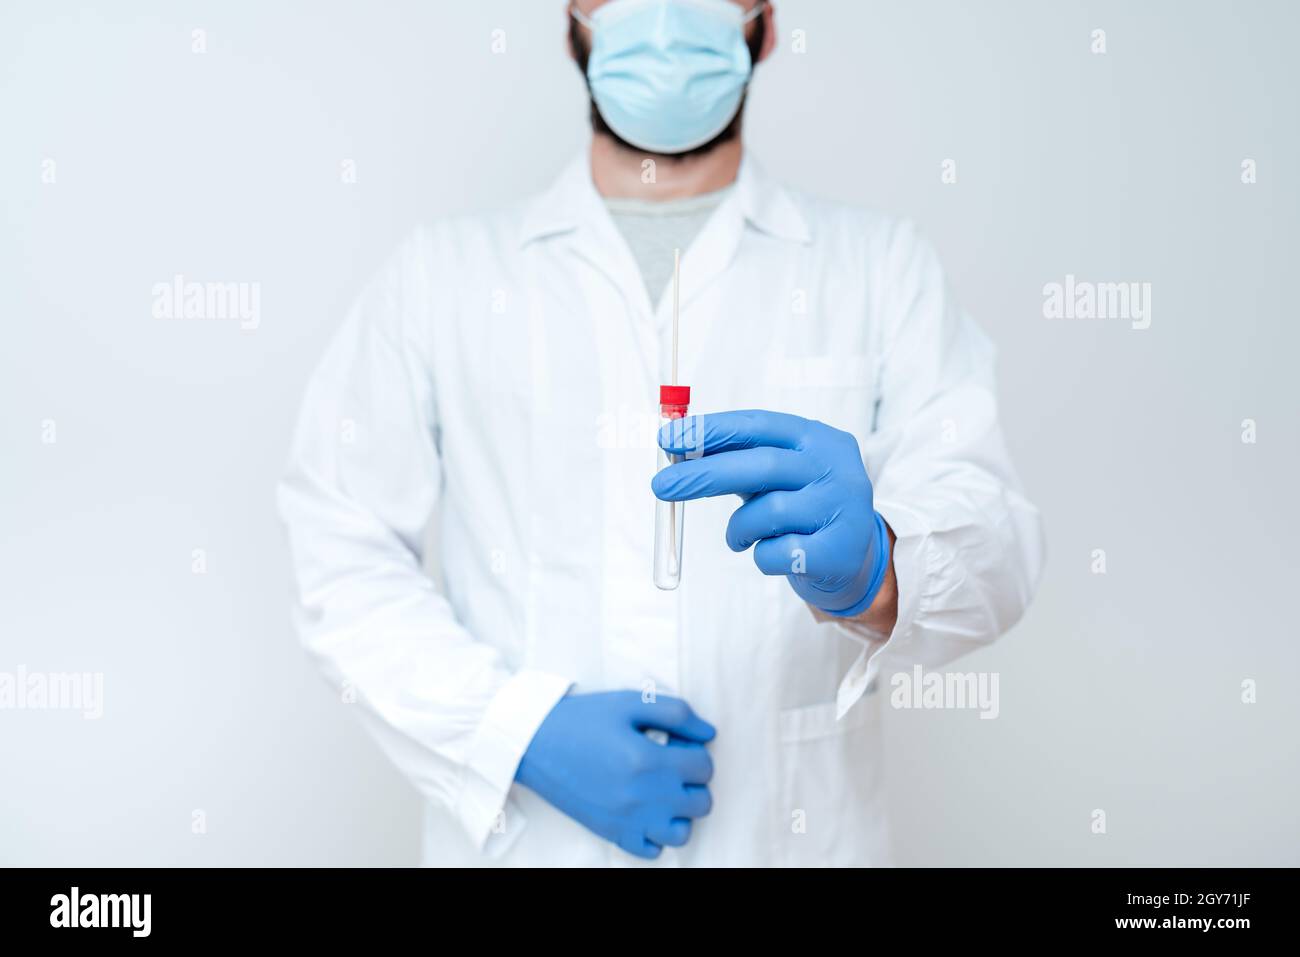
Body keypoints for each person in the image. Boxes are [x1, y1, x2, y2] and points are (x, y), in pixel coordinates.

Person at [277, 0, 1045, 867]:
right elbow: (336, 551)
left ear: (765, 20)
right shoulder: (439, 277)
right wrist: (517, 730)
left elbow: (999, 538)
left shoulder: (879, 269)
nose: (668, 13)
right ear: (572, 18)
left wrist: (883, 566)